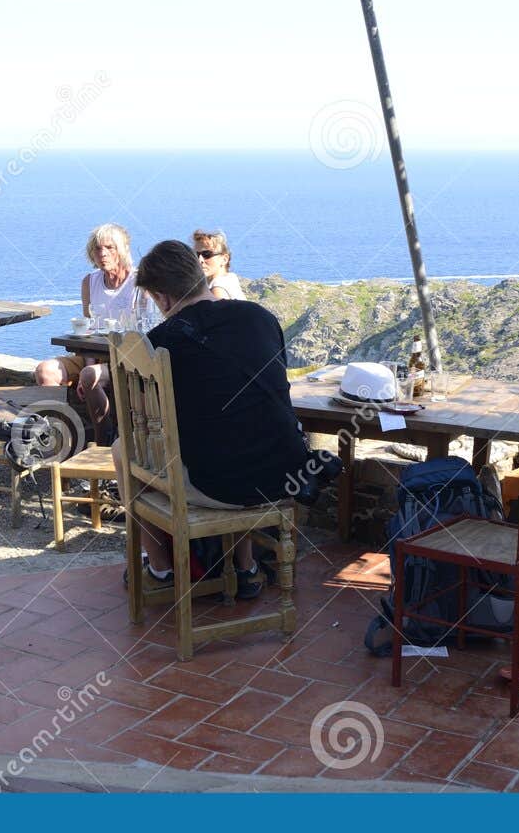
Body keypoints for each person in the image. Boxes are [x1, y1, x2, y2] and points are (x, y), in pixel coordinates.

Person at [127, 240, 312, 599]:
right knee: (234, 432)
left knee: (123, 450)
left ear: (163, 297)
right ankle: (245, 568)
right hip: (284, 476)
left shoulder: (160, 343)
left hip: (219, 486)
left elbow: (142, 428)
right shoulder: (261, 317)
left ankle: (162, 567)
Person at [34, 223, 155, 433]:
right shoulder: (90, 282)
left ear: (123, 250)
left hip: (127, 357)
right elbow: (88, 329)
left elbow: (146, 332)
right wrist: (86, 365)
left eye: (110, 248)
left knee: (91, 374)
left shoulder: (140, 283)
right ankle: (59, 434)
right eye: (98, 249)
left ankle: (104, 439)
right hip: (93, 354)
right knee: (46, 370)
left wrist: (88, 372)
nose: (103, 254)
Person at [193, 229, 245, 300]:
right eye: (196, 255)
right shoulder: (230, 279)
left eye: (207, 254)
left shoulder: (217, 289)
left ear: (224, 259)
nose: (200, 260)